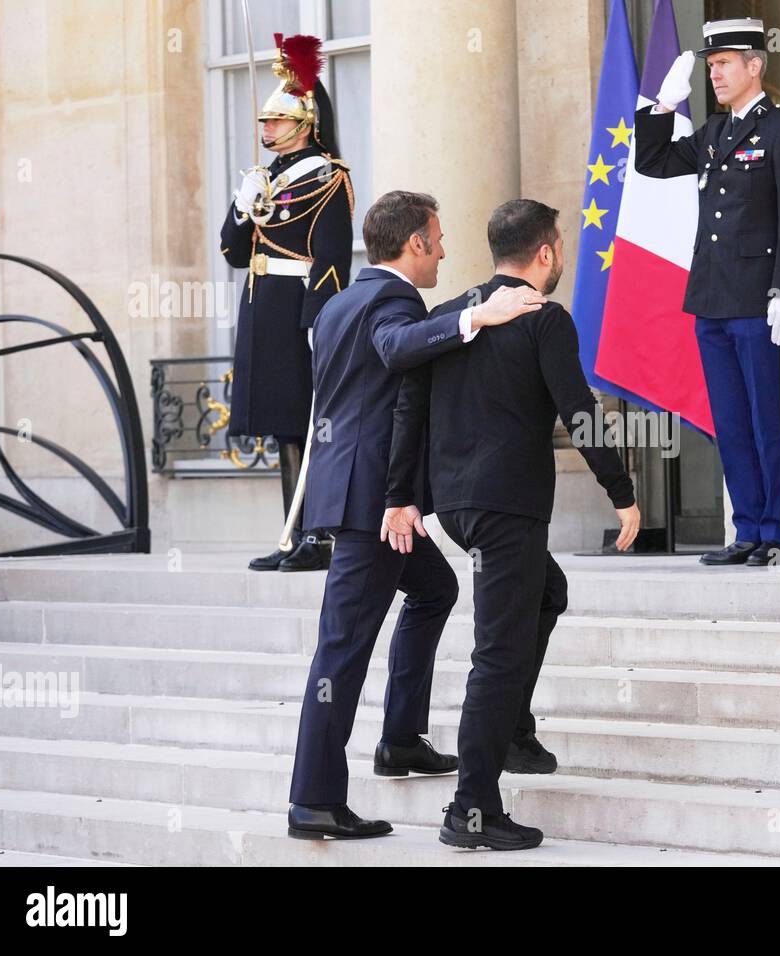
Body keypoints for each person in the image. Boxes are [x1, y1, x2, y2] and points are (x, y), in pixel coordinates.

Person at [286, 191, 543, 840]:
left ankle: (401, 738)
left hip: (350, 491)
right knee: (340, 650)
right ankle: (313, 799)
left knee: (435, 588)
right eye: (438, 237)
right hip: (371, 505)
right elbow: (399, 347)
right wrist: (478, 316)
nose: (446, 250)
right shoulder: (391, 302)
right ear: (414, 245)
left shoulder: (340, 301)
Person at [385, 199, 640, 851]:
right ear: (547, 253)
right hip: (506, 507)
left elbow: (410, 408)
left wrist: (405, 494)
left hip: (460, 506)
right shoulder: (541, 319)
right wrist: (623, 493)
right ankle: (471, 808)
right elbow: (579, 411)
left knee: (546, 594)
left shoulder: (452, 316)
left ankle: (516, 731)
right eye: (560, 247)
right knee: (497, 653)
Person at [634, 17, 780, 567]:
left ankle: (777, 535)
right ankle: (746, 529)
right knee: (731, 423)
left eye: (723, 64)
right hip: (713, 299)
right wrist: (661, 108)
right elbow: (652, 163)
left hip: (759, 300)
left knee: (768, 420)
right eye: (710, 66)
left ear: (754, 65)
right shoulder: (714, 134)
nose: (713, 75)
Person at [220, 33, 350, 572]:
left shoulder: (328, 176)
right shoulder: (264, 177)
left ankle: (318, 537)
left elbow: (334, 256)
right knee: (281, 424)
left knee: (306, 422)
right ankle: (291, 535)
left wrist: (318, 321)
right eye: (265, 123)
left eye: (277, 121)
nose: (267, 129)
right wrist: (240, 206)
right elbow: (231, 253)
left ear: (306, 122)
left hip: (297, 311)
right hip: (260, 309)